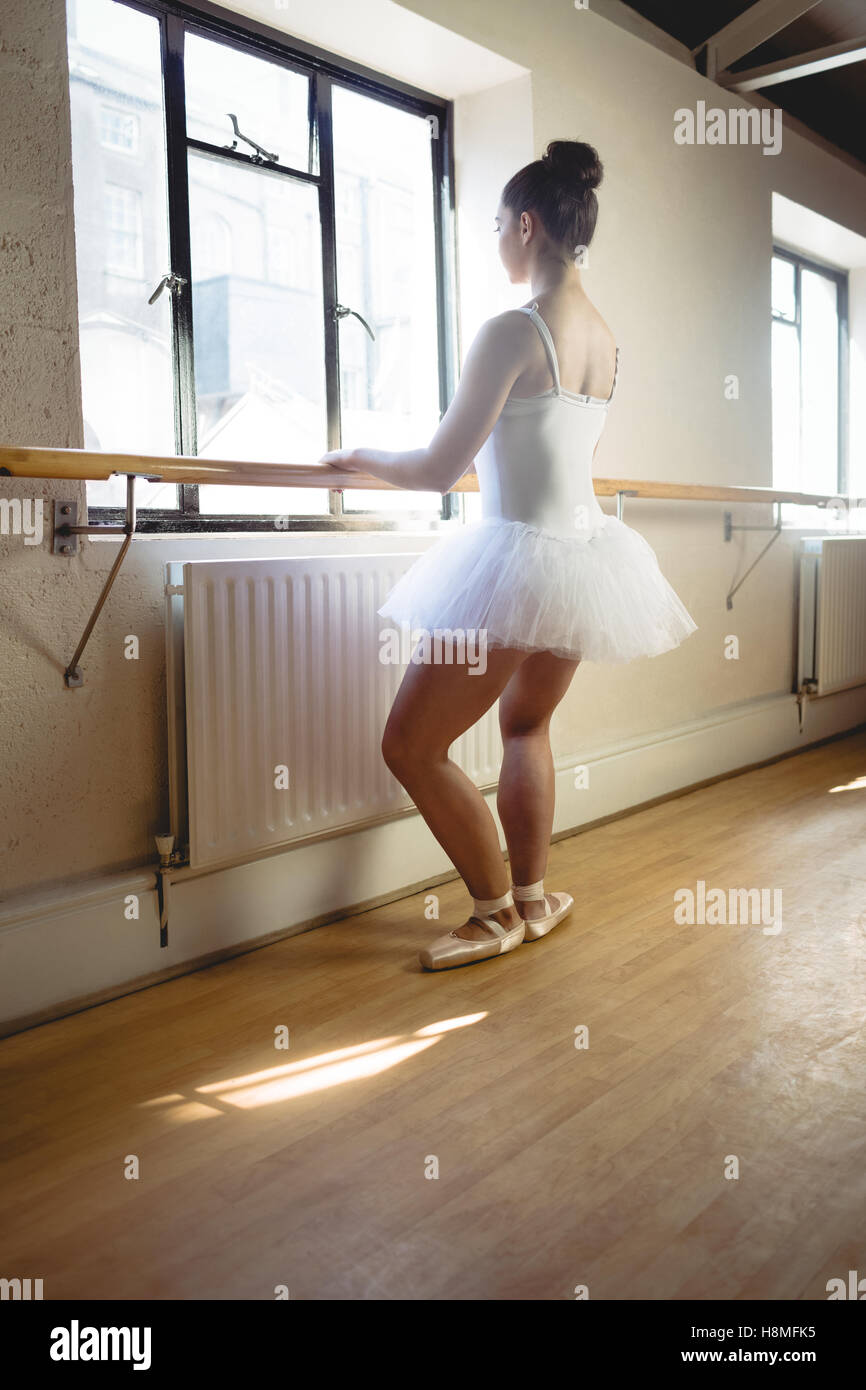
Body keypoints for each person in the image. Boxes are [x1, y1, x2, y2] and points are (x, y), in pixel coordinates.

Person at [320, 139, 697, 972]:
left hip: (517, 560)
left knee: (410, 746)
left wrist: (359, 458)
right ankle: (531, 896)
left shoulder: (513, 330)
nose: (497, 240)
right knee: (526, 726)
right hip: (585, 556)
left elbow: (439, 469)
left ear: (526, 226)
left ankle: (493, 915)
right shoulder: (606, 339)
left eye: (497, 225)